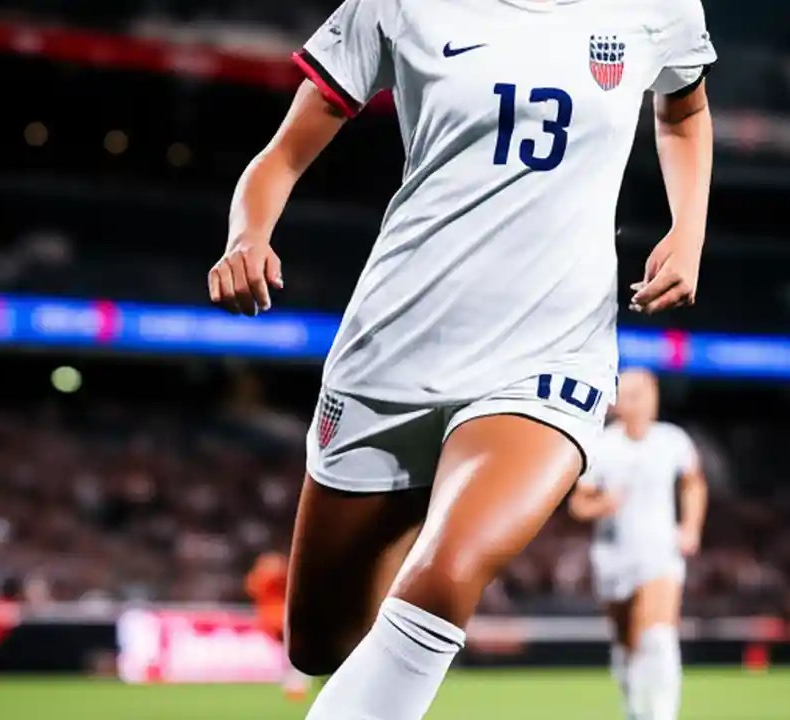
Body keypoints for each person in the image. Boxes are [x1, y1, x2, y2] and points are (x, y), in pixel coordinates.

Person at [208, 0, 716, 717]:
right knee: (320, 644)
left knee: (446, 574)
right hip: (392, 349)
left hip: (551, 354)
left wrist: (688, 229)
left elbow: (685, 112)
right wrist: (247, 235)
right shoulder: (395, 4)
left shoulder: (654, 8)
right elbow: (283, 153)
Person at [569, 368, 708, 720]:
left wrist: (690, 527)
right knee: (626, 645)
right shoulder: (602, 446)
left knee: (659, 637)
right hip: (613, 559)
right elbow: (578, 504)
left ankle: (661, 716)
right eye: (633, 394)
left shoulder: (672, 440)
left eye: (647, 392)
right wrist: (604, 504)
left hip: (660, 553)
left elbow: (694, 483)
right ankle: (633, 709)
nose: (643, 401)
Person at [245, 551, 311, 700]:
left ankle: (295, 681)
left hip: (274, 618)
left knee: (289, 651)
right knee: (290, 651)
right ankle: (296, 681)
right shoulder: (279, 576)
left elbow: (251, 588)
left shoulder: (260, 578)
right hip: (279, 617)